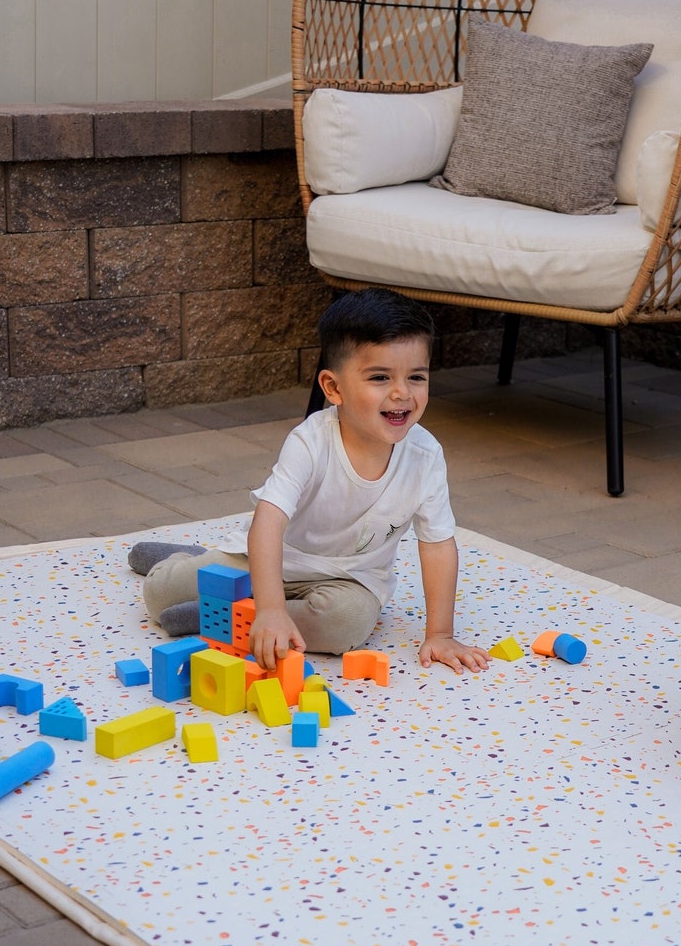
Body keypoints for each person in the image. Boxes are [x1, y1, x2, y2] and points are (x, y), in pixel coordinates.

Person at [128, 288, 489, 676]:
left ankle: (222, 616)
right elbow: (268, 522)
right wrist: (269, 609)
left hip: (349, 579)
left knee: (346, 624)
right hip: (269, 559)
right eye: (380, 377)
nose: (402, 393)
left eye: (416, 377)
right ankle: (189, 562)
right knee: (158, 596)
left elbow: (437, 545)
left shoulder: (425, 456)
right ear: (333, 388)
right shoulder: (311, 441)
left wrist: (440, 633)